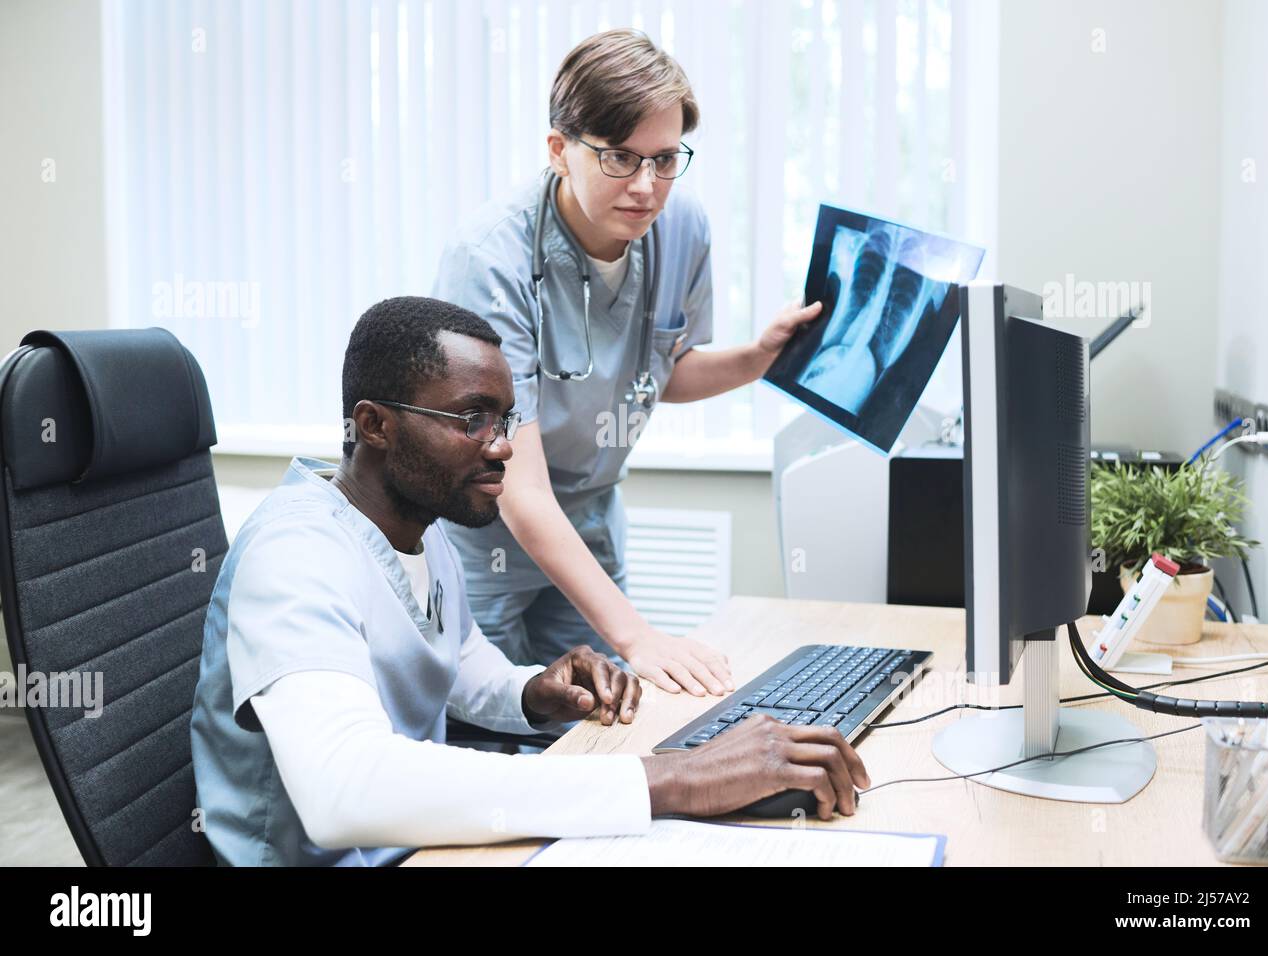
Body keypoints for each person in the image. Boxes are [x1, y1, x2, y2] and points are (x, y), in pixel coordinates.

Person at [189, 297, 867, 866]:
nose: (503, 444)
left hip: (421, 850)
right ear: (375, 425)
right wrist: (676, 778)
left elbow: (450, 661)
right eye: (471, 418)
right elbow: (344, 790)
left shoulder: (418, 520)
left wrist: (532, 691)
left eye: (505, 418)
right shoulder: (296, 555)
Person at [432, 28, 821, 699]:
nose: (646, 186)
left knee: (597, 716)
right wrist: (639, 634)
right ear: (560, 150)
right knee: (497, 726)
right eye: (619, 158)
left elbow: (654, 376)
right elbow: (521, 490)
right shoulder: (490, 261)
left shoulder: (680, 228)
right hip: (487, 530)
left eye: (666, 158)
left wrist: (758, 358)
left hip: (585, 522)